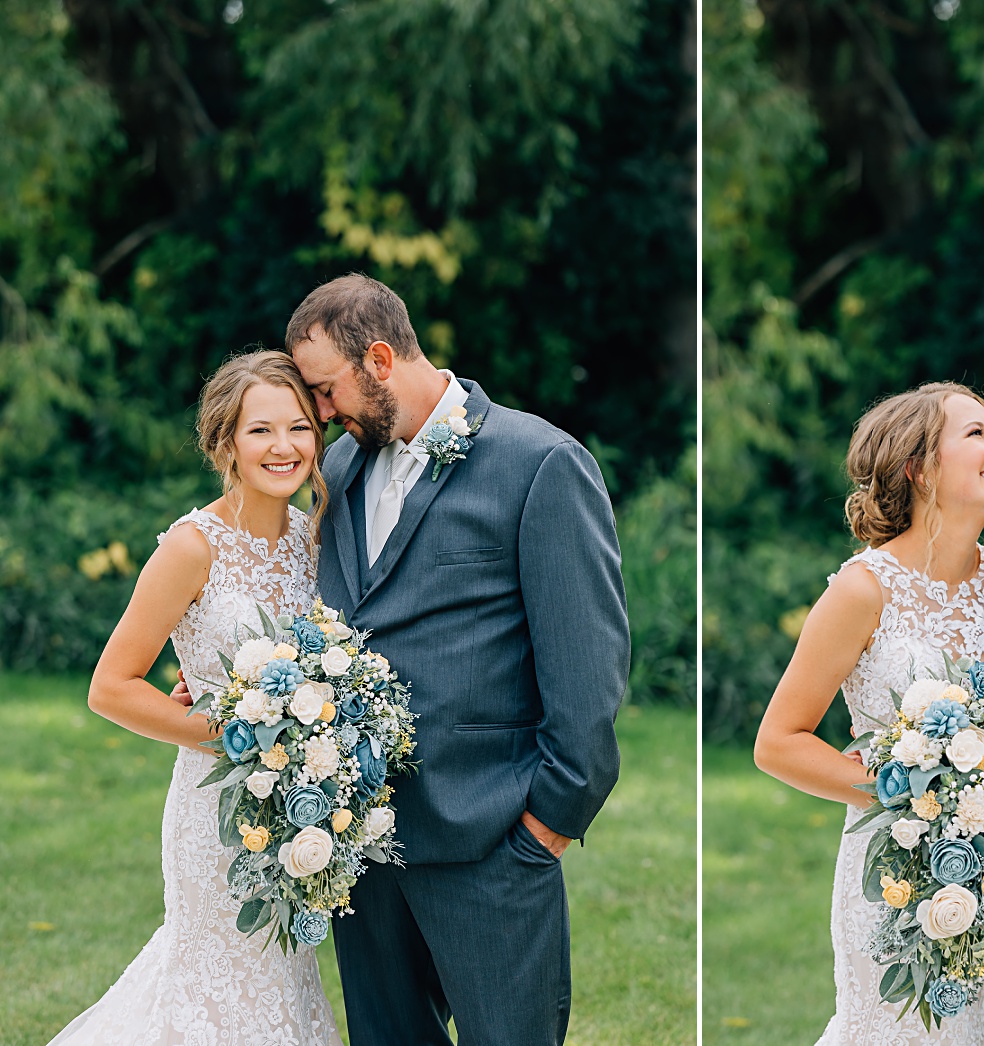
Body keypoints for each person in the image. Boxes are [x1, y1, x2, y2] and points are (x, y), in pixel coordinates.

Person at [283, 274, 630, 1046]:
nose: (320, 415)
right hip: (359, 840)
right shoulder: (339, 470)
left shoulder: (539, 464)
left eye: (325, 391)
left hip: (490, 841)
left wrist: (548, 824)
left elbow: (588, 666)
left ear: (379, 359)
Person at [53, 351, 341, 1044]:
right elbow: (110, 687)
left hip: (298, 805)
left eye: (299, 428)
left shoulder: (316, 540)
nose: (283, 447)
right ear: (225, 444)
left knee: (281, 973)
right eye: (260, 431)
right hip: (216, 804)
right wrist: (232, 732)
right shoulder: (191, 546)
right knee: (216, 976)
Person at [755, 382, 984, 1045]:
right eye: (975, 435)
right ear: (918, 466)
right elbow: (779, 741)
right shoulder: (863, 589)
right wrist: (908, 792)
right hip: (894, 876)